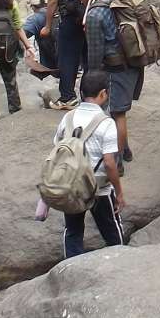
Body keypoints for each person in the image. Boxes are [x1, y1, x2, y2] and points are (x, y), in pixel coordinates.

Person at [55, 70, 127, 257]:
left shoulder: (67, 118)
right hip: (99, 188)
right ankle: (120, 261)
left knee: (73, 231)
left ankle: (72, 266)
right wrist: (119, 192)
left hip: (72, 185)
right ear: (103, 93)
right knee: (112, 231)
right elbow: (109, 163)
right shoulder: (106, 123)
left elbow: (58, 148)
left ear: (81, 92)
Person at [82, 0, 144, 163]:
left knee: (117, 113)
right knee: (119, 111)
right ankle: (125, 151)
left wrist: (91, 80)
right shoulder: (116, 0)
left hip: (116, 68)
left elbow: (94, 52)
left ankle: (116, 162)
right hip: (133, 62)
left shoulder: (94, 14)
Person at [41, 0, 85, 109]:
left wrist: (47, 25)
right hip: (89, 15)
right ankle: (90, 96)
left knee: (67, 57)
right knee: (88, 57)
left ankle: (68, 97)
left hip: (70, 17)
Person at [23, 0, 56, 78]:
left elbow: (24, 34)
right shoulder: (57, 14)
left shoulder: (35, 18)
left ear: (33, 7)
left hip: (50, 61)